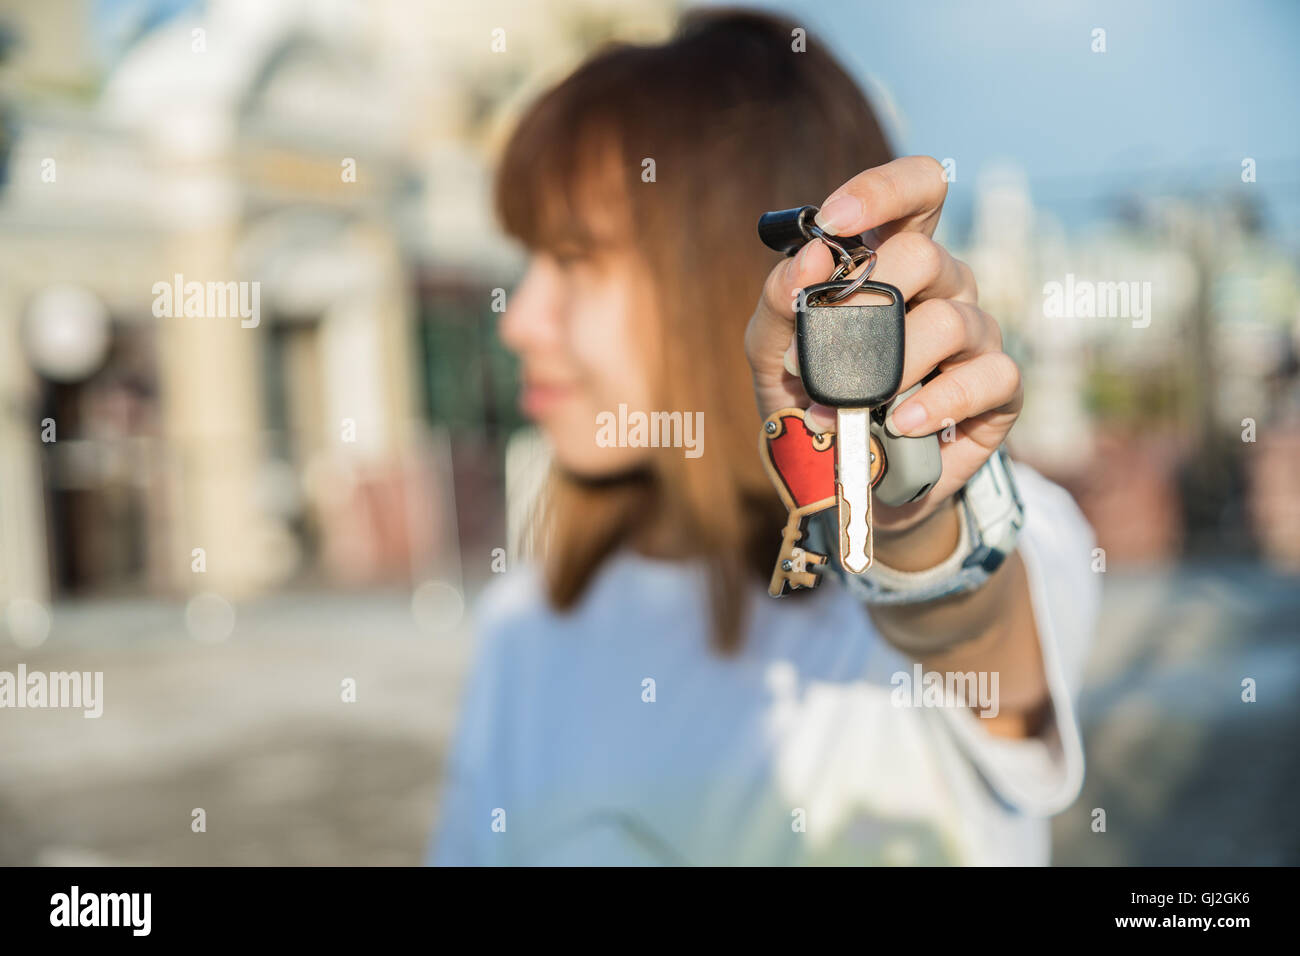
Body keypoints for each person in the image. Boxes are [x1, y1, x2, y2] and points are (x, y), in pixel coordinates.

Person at [429, 8, 1098, 866]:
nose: (518, 319)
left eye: (575, 257)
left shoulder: (1019, 530)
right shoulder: (523, 629)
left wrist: (905, 512)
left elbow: (965, 621)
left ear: (724, 268)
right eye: (526, 261)